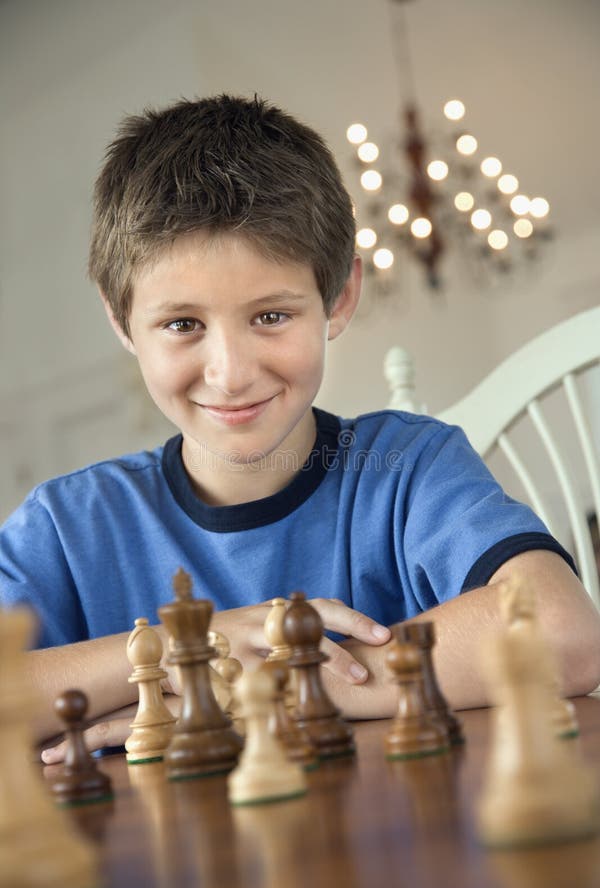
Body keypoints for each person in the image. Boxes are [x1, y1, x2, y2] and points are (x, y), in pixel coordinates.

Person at [1, 95, 599, 762]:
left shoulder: (407, 468)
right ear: (122, 321)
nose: (231, 374)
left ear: (339, 297)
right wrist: (186, 648)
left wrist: (257, 690)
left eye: (271, 317)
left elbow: (563, 630)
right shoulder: (65, 527)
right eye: (182, 324)